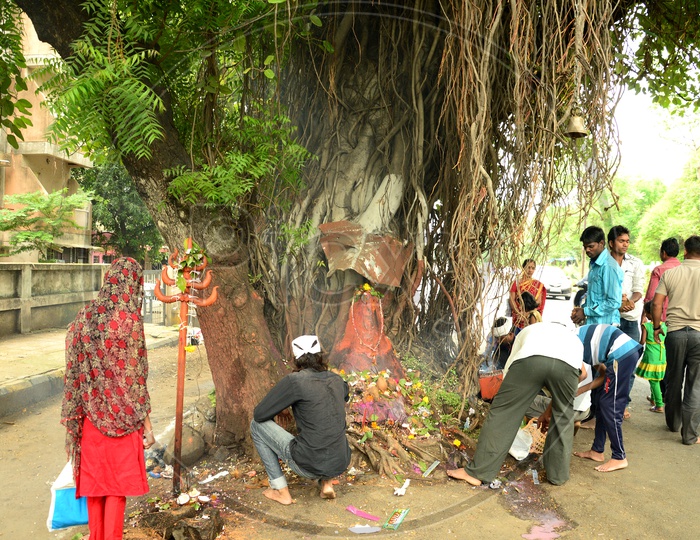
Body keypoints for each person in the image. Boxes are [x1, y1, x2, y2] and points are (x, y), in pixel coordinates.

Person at [61, 257, 155, 540]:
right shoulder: (129, 321)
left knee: (95, 488)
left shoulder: (84, 317)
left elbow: (73, 368)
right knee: (115, 490)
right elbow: (136, 380)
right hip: (125, 422)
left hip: (91, 420)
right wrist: (148, 427)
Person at [447, 320, 586, 486]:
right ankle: (557, 476)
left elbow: (510, 366)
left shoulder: (530, 330)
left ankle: (478, 473)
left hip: (530, 359)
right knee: (563, 417)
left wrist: (507, 399)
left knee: (504, 413)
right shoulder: (573, 338)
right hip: (567, 366)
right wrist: (554, 408)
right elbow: (582, 374)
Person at [251, 335, 351, 504]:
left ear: (295, 359)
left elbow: (260, 414)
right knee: (326, 428)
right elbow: (344, 396)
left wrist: (281, 406)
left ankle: (280, 490)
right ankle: (327, 484)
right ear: (320, 355)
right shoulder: (337, 379)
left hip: (308, 464)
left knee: (256, 425)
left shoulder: (295, 381)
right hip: (340, 462)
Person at [573, 324, 643, 472]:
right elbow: (604, 375)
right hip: (620, 355)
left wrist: (573, 390)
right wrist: (580, 390)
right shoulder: (584, 345)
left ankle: (619, 457)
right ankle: (597, 451)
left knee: (610, 406)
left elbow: (582, 375)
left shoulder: (571, 345)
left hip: (622, 355)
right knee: (600, 400)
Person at [651, 235, 700, 445]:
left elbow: (656, 303)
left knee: (673, 379)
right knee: (695, 385)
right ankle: (690, 435)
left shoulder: (670, 273)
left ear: (685, 251)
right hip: (699, 334)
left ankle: (673, 423)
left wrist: (655, 327)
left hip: (675, 333)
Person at [607, 225, 645, 419]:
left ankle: (622, 404)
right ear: (612, 242)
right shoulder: (603, 262)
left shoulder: (635, 263)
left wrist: (631, 301)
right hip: (610, 319)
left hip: (630, 319)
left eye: (627, 241)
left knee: (629, 364)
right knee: (607, 365)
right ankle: (605, 405)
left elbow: (639, 289)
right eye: (622, 241)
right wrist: (616, 305)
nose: (625, 245)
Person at [571, 226, 623, 326]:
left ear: (601, 243)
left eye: (591, 246)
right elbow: (595, 298)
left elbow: (614, 302)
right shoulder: (594, 264)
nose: (587, 250)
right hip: (593, 324)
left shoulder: (609, 266)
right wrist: (582, 309)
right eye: (585, 247)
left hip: (606, 325)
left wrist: (585, 312)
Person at [636, 301, 666, 413]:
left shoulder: (647, 326)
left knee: (653, 381)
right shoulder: (664, 325)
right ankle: (653, 398)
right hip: (661, 357)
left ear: (648, 314)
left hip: (651, 357)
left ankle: (659, 405)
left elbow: (642, 341)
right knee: (655, 378)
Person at [643, 237, 681, 323]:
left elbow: (651, 296)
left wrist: (644, 314)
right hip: (682, 320)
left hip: (662, 319)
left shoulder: (659, 270)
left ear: (663, 253)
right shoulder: (684, 269)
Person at [509, 259, 546, 333]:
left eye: (533, 268)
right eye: (528, 267)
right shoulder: (516, 282)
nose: (530, 270)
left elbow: (538, 302)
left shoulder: (538, 285)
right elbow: (512, 300)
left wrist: (527, 314)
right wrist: (519, 313)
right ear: (523, 268)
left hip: (531, 318)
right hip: (518, 317)